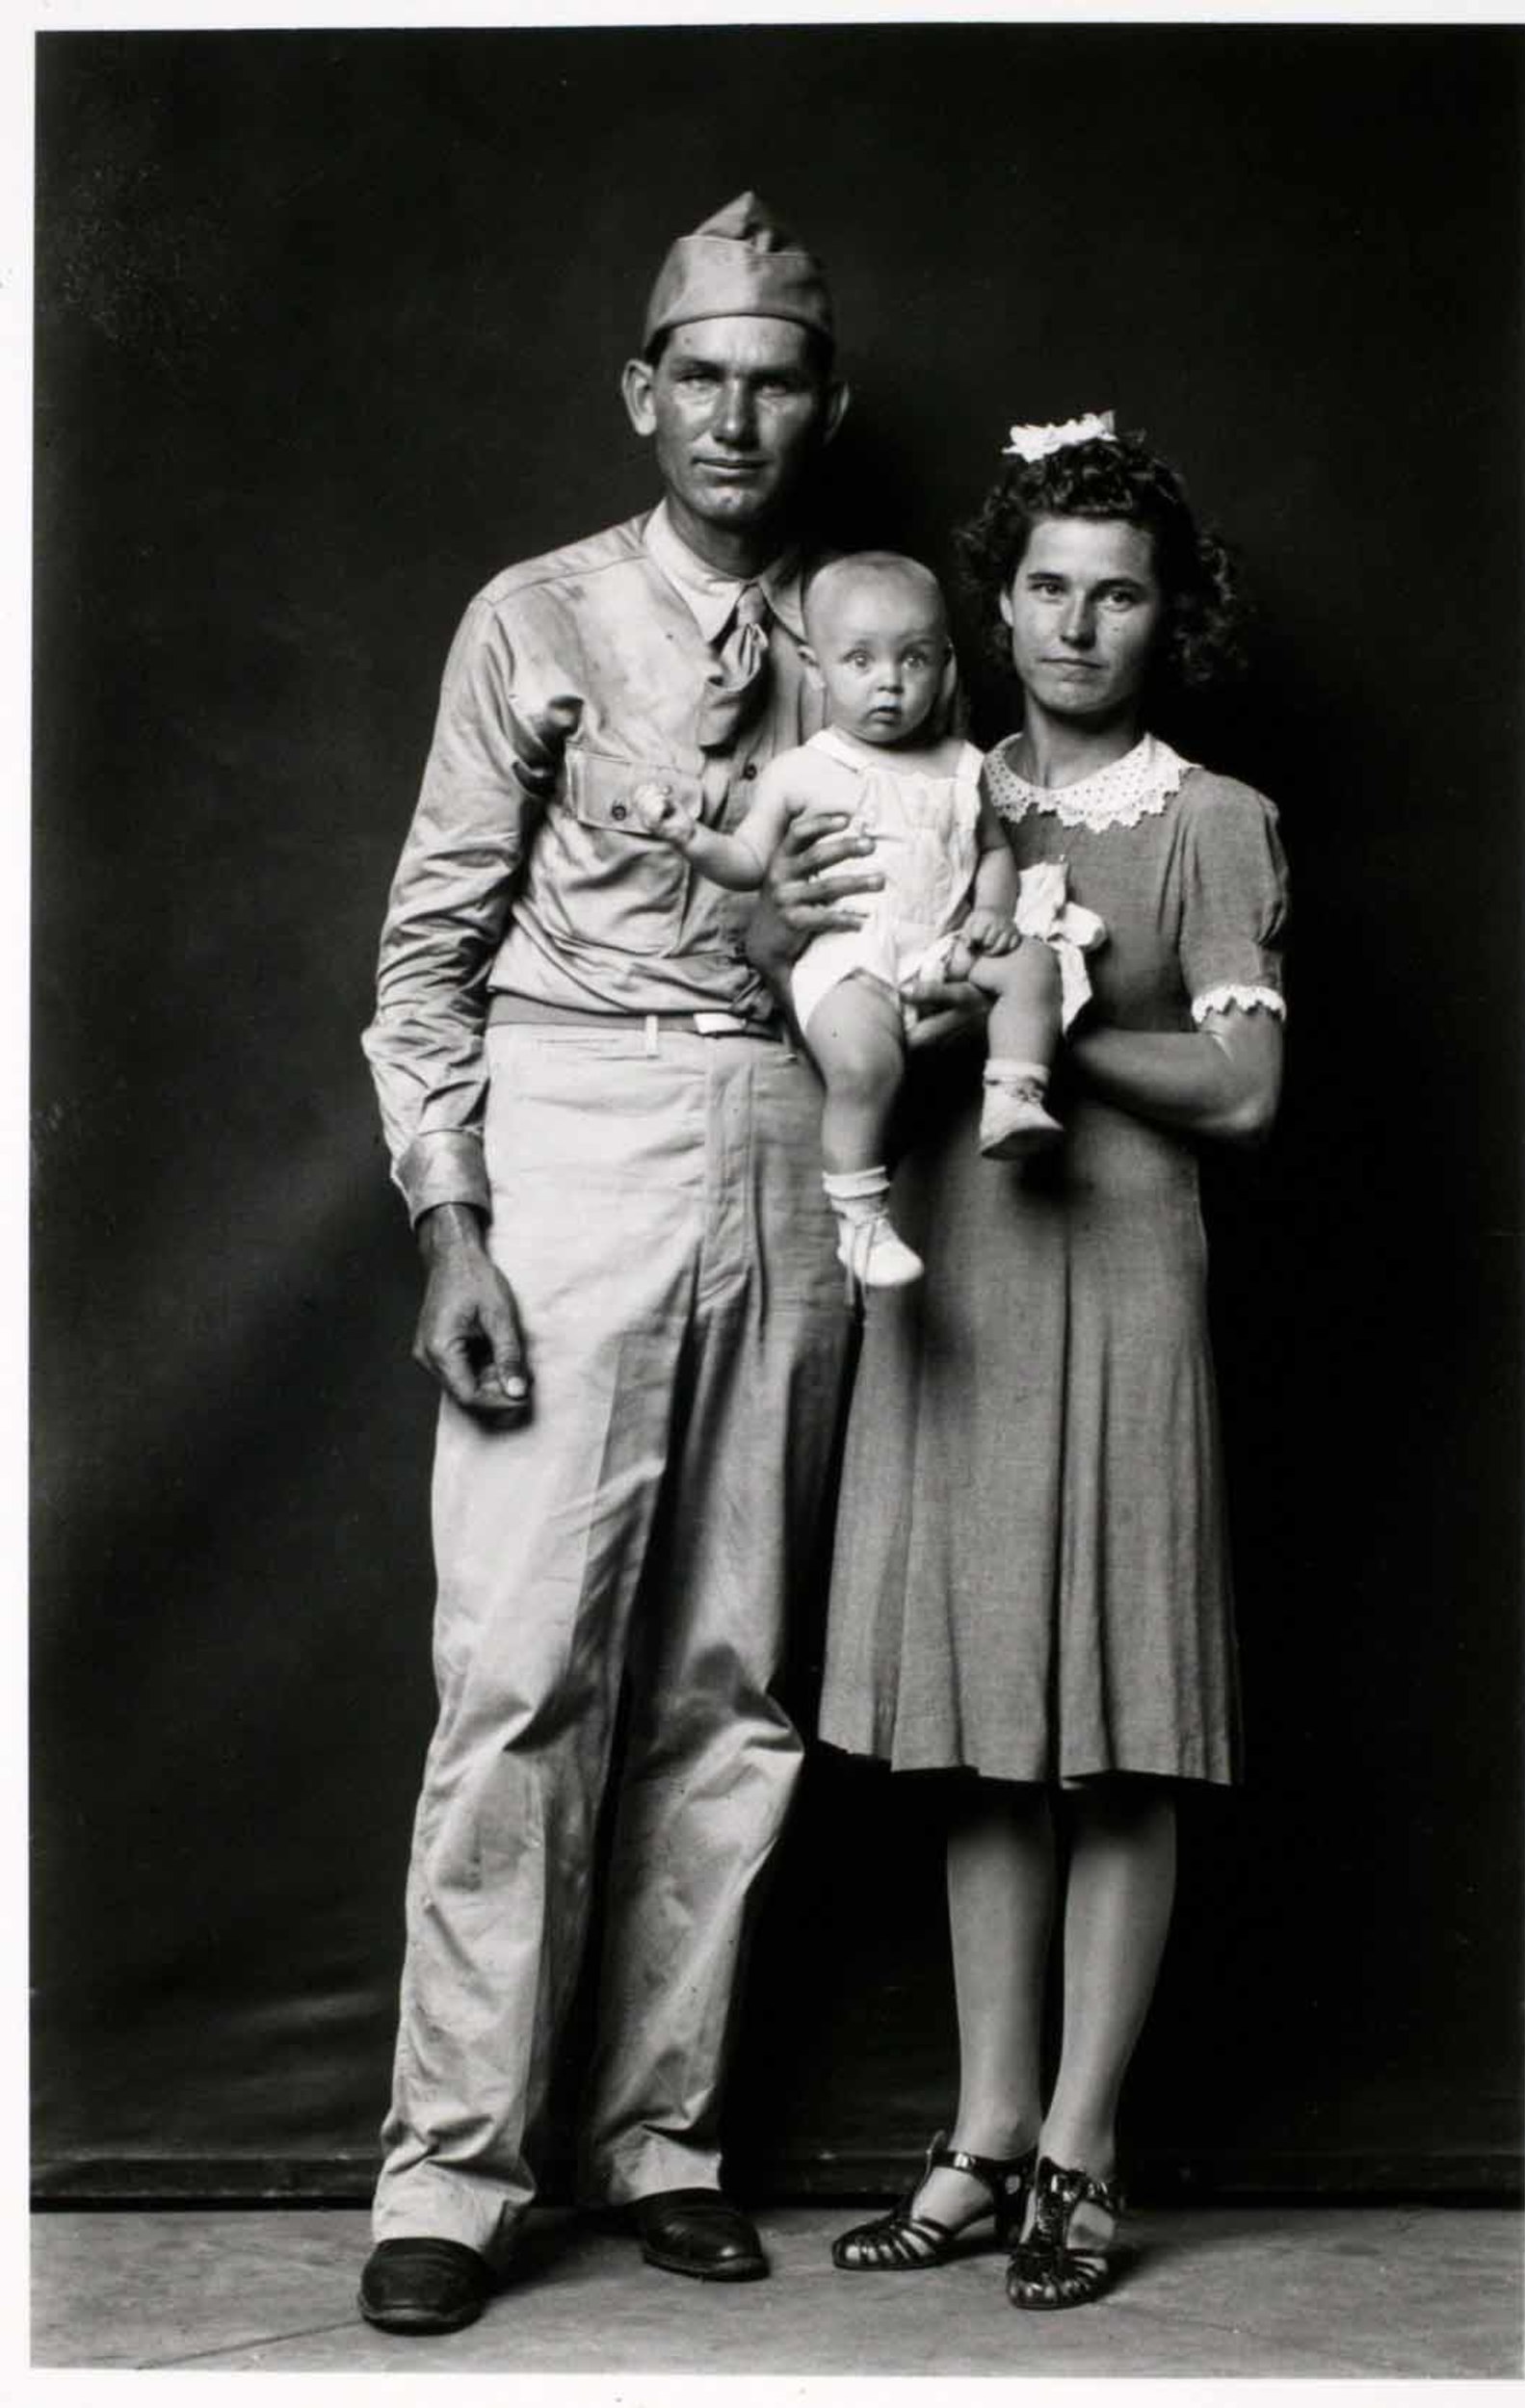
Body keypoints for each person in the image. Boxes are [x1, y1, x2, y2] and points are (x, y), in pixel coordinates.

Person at [356, 193, 870, 2335]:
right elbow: (425, 951)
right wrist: (449, 1216)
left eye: (772, 381)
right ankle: (453, 2164)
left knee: (730, 1672)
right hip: (572, 1127)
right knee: (518, 1664)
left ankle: (661, 2130)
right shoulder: (534, 617)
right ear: (637, 395)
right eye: (699, 378)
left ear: (817, 406)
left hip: (788, 1131)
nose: (733, 416)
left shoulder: (876, 634)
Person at [799, 413, 1288, 2309]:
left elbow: (1241, 1092)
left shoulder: (1208, 820)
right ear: (994, 604)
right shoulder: (907, 781)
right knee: (982, 1739)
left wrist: (1047, 1024)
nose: (1078, 624)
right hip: (957, 1280)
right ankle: (979, 2133)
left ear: (1166, 616)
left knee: (1114, 1732)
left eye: (1119, 592)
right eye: (1047, 588)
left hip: (1117, 1288)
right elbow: (829, 1006)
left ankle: (1080, 2144)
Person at [638, 549, 1103, 1288]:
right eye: (859, 660)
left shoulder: (962, 765)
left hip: (938, 944)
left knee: (1033, 965)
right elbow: (748, 863)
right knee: (863, 1064)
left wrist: (990, 910)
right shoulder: (802, 771)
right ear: (816, 668)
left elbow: (990, 851)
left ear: (945, 664)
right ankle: (860, 1222)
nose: (889, 682)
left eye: (914, 660)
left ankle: (1012, 1096)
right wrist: (691, 838)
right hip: (849, 952)